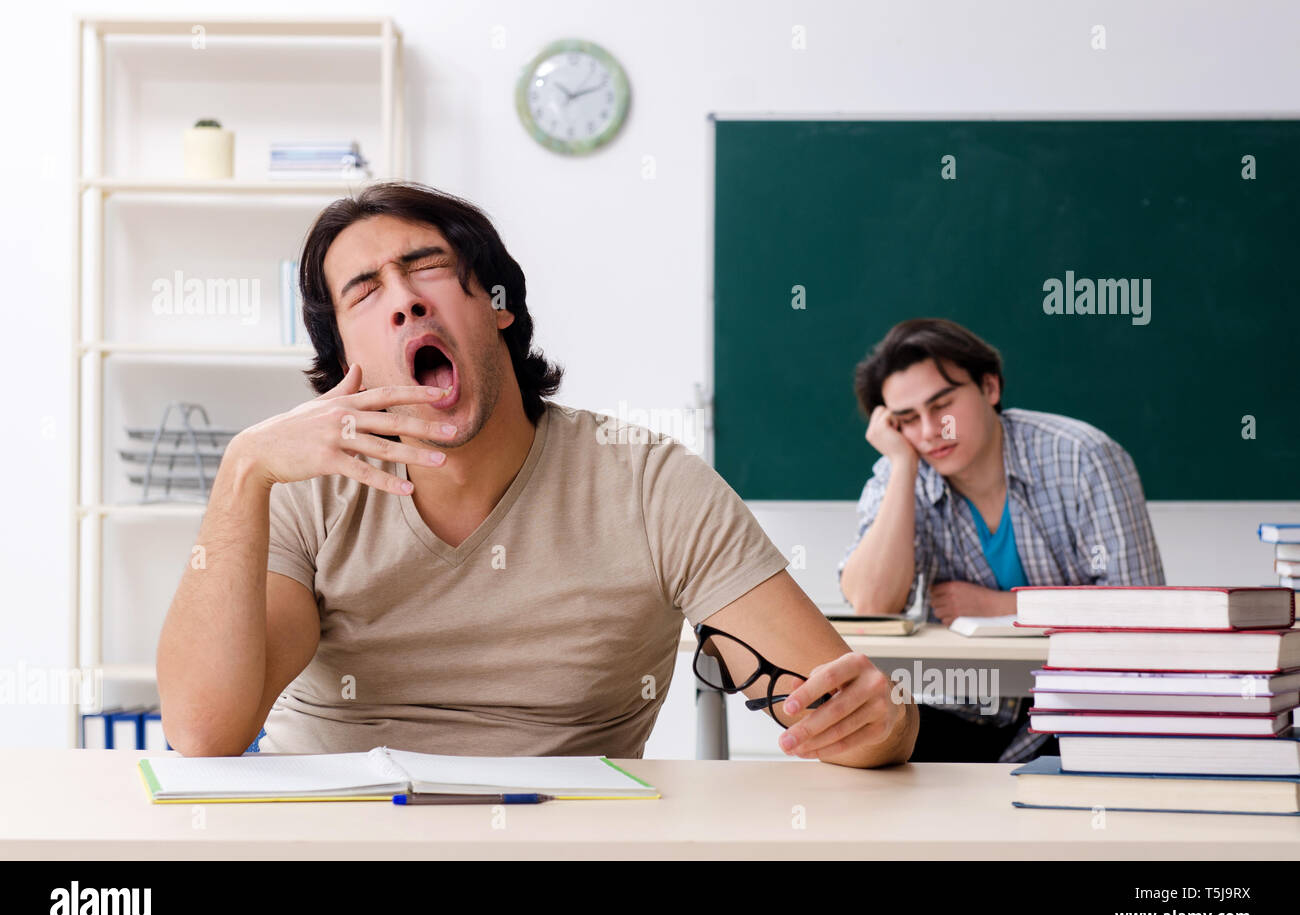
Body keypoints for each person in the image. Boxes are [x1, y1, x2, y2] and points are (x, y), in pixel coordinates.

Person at [157, 181, 918, 767]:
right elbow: (203, 732)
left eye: (428, 269)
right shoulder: (304, 490)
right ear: (343, 358)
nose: (405, 300)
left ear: (497, 306)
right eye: (365, 291)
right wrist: (243, 469)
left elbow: (844, 706)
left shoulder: (650, 483)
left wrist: (885, 724)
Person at [837, 318, 1164, 763]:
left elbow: (1141, 611)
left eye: (942, 405)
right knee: (873, 761)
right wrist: (901, 465)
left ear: (989, 387)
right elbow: (872, 604)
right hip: (965, 711)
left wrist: (1006, 608)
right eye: (908, 419)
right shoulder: (900, 474)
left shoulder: (1082, 458)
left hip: (1081, 705)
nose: (931, 431)